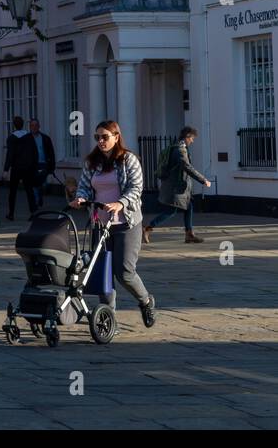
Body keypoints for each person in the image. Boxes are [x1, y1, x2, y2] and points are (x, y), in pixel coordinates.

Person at [68, 120, 156, 329]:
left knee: (124, 272)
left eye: (105, 137)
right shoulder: (92, 162)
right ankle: (108, 319)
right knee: (103, 273)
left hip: (126, 223)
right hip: (100, 225)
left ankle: (145, 301)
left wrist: (120, 203)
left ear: (116, 137)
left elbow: (136, 188)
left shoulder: (128, 160)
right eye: (97, 137)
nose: (101, 141)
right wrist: (80, 198)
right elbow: (84, 187)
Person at [146, 126, 210, 244]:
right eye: (192, 138)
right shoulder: (180, 150)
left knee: (189, 207)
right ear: (187, 137)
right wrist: (203, 180)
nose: (193, 141)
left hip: (179, 187)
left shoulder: (175, 147)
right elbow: (187, 167)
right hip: (176, 188)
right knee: (171, 211)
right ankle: (148, 228)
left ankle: (189, 234)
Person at [2, 116, 33, 220]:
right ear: (23, 124)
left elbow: (10, 154)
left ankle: (11, 213)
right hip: (27, 167)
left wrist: (6, 169)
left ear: (14, 125)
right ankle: (33, 212)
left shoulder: (11, 138)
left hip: (16, 167)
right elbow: (32, 152)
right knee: (29, 190)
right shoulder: (29, 136)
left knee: (13, 191)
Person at [24, 118, 57, 213]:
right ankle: (36, 202)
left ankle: (40, 195)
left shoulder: (45, 138)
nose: (33, 127)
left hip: (43, 164)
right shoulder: (26, 139)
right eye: (32, 126)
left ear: (39, 127)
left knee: (42, 184)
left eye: (35, 125)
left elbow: (51, 153)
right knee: (34, 184)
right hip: (32, 166)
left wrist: (52, 166)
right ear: (30, 127)